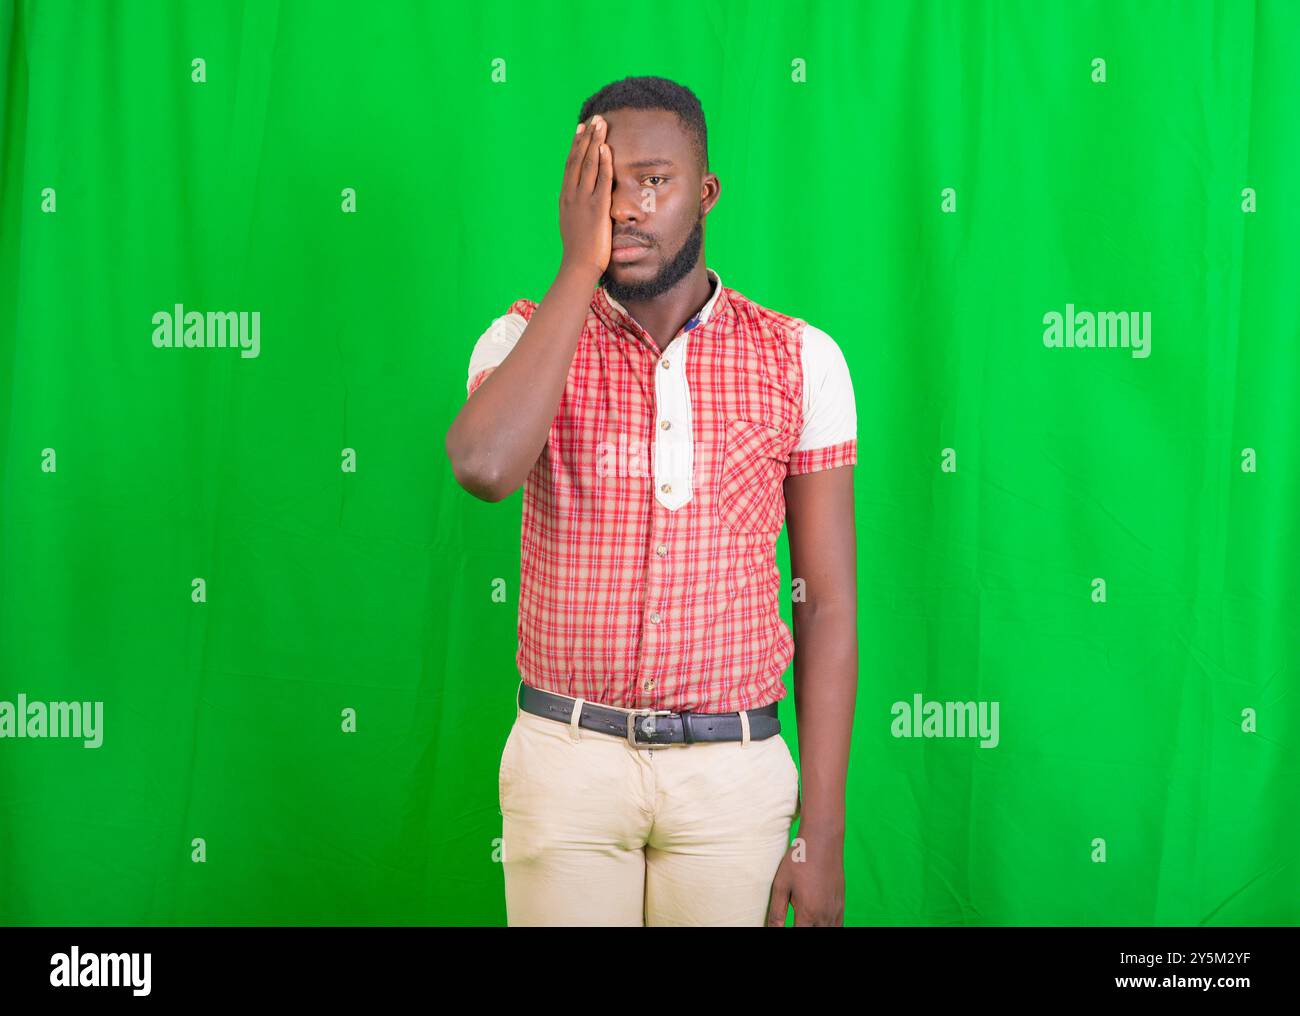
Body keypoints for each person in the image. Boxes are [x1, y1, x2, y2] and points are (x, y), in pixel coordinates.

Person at [445, 75, 858, 927]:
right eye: (603, 182)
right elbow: (484, 467)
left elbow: (827, 607)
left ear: (705, 194)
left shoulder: (801, 358)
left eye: (654, 180)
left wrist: (820, 833)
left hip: (733, 775)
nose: (626, 207)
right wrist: (577, 268)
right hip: (566, 763)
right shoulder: (522, 336)